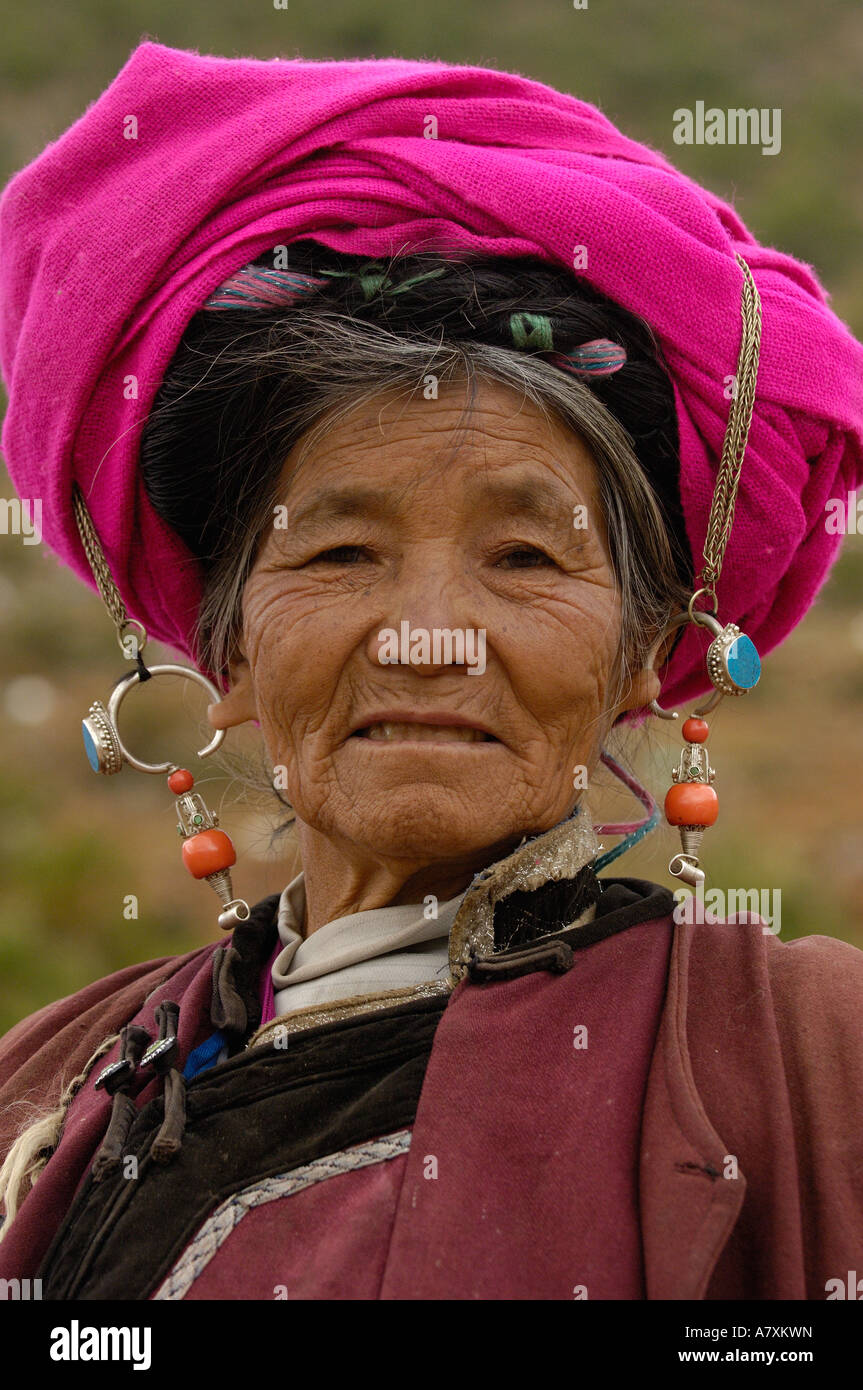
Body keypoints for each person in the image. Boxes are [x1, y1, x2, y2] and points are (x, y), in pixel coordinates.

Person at [0, 42, 861, 1301]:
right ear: (227, 651)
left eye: (523, 557)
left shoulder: (807, 1056)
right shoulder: (48, 1075)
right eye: (340, 553)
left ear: (640, 654)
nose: (428, 634)